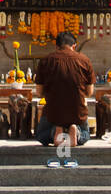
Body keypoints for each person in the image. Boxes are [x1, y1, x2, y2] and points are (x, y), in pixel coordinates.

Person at [34, 30, 95, 167]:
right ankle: (77, 133)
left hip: (53, 113)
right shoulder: (84, 60)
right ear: (74, 46)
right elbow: (89, 92)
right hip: (77, 113)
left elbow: (39, 92)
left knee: (41, 136)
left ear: (57, 46)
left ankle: (55, 131)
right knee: (87, 134)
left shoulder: (46, 61)